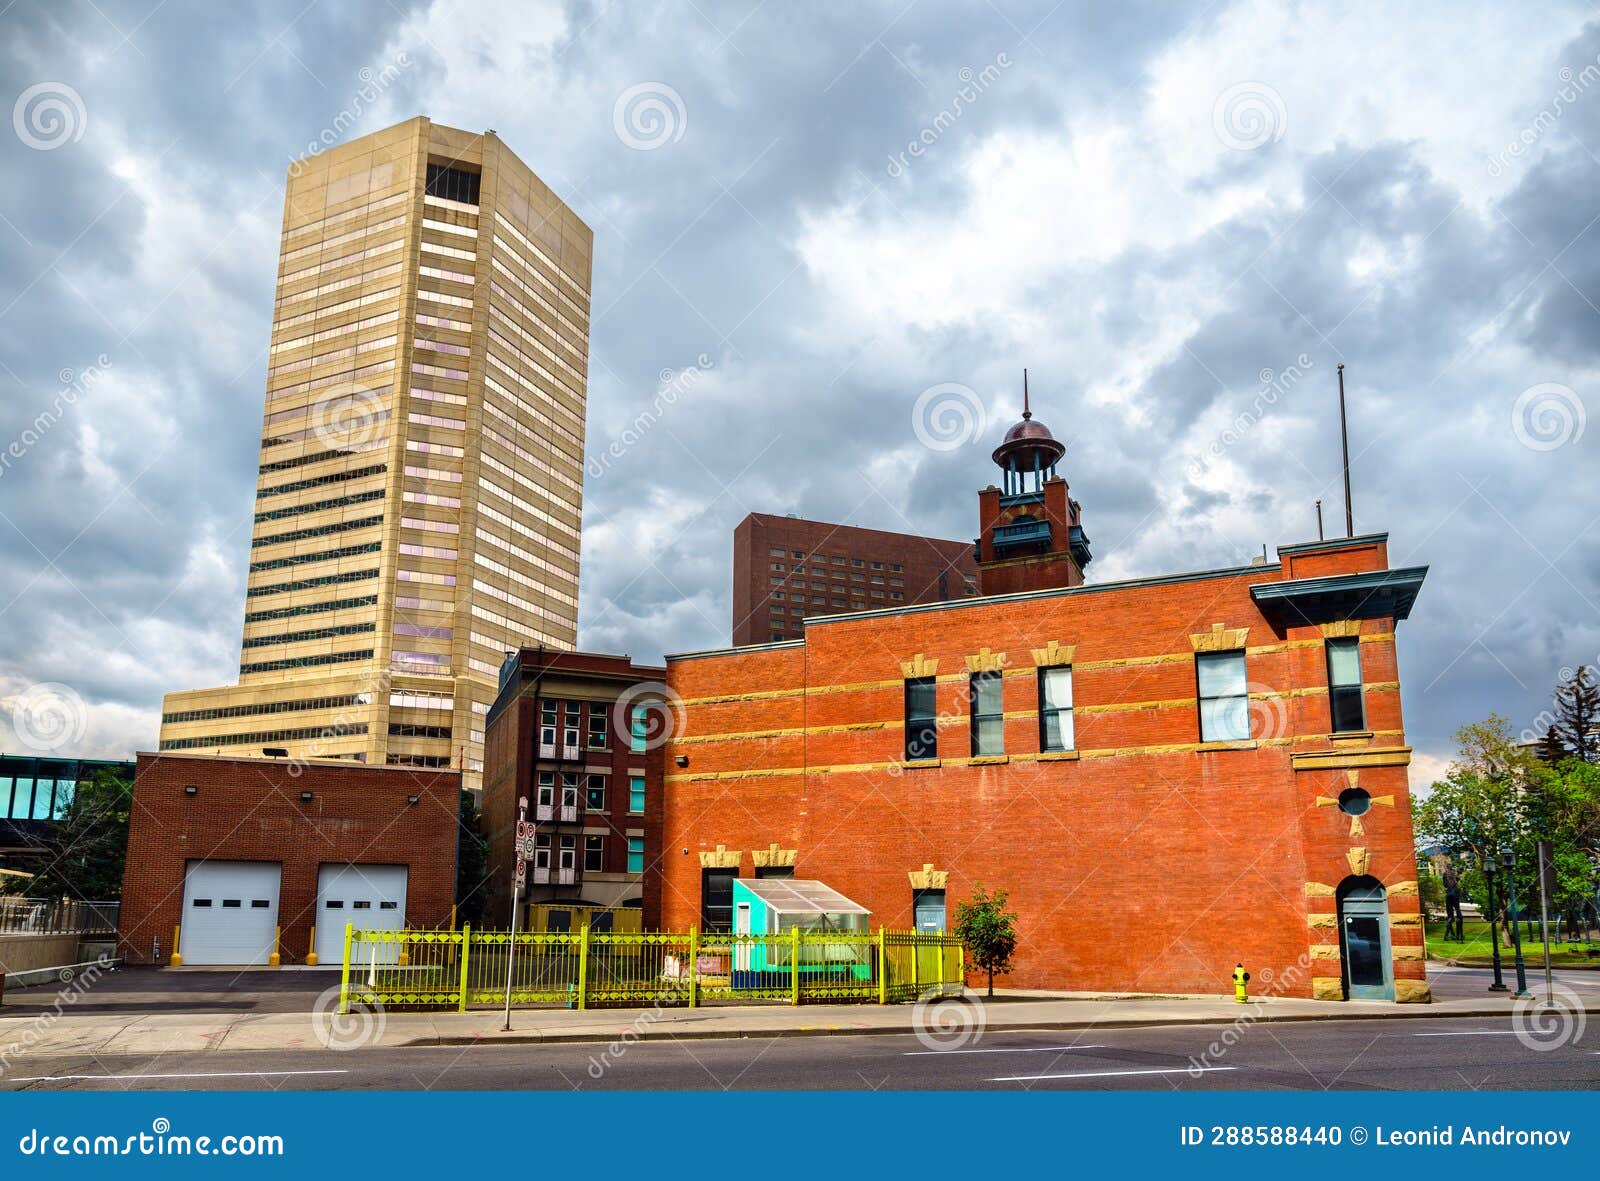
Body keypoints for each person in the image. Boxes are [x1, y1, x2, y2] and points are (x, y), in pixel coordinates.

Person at [1442, 862, 1465, 942]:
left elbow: (1444, 885)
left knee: (1450, 916)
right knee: (1459, 914)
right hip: (1455, 894)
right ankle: (1460, 935)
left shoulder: (1445, 874)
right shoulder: (1455, 874)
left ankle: (1450, 935)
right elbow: (1458, 879)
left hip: (1448, 894)